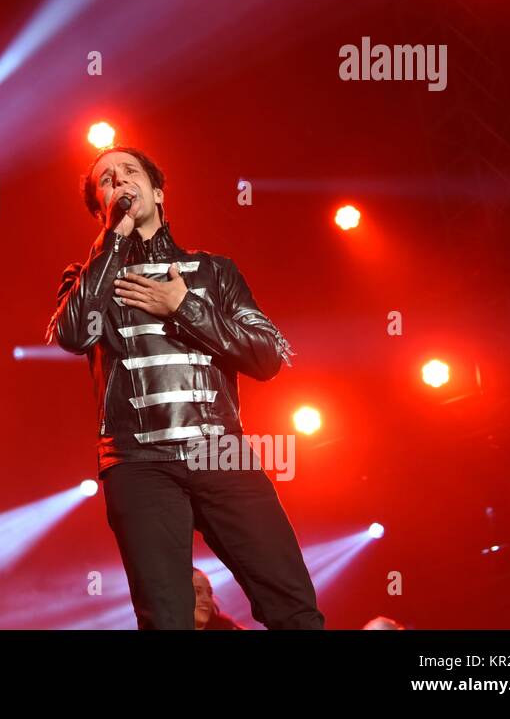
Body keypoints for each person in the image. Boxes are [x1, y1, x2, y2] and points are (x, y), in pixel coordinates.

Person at [47, 146, 324, 630]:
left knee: (291, 603)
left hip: (220, 454)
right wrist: (112, 241)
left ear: (157, 191)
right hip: (138, 463)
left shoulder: (215, 272)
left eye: (130, 173)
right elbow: (72, 334)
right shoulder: (87, 278)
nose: (120, 182)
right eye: (106, 181)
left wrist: (184, 306)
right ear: (100, 209)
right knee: (167, 619)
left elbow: (266, 357)